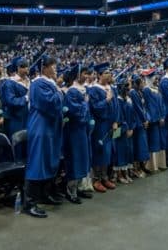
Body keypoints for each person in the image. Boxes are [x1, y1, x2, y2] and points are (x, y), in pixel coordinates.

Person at [24, 55, 63, 219]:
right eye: (53, 66)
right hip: (40, 128)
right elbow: (49, 104)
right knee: (37, 163)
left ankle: (44, 195)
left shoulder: (48, 84)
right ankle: (29, 202)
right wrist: (60, 93)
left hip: (49, 128)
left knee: (48, 161)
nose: (56, 70)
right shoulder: (38, 84)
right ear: (44, 68)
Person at [62, 64, 92, 204]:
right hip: (74, 131)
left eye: (87, 74)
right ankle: (70, 190)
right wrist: (85, 104)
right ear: (77, 75)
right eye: (84, 73)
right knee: (75, 159)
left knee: (83, 158)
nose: (86, 76)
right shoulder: (72, 92)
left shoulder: (83, 90)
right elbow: (76, 112)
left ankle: (79, 187)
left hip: (82, 130)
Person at [88, 62, 118, 192]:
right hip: (100, 125)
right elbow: (94, 107)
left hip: (110, 125)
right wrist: (106, 100)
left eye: (109, 72)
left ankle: (105, 177)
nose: (109, 74)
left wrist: (116, 121)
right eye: (105, 73)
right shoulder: (94, 89)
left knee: (107, 152)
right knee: (99, 151)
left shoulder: (111, 88)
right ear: (99, 75)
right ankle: (96, 180)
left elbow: (117, 107)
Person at [0, 57, 30, 138]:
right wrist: (26, 98)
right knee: (17, 145)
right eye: (23, 66)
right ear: (17, 68)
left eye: (27, 65)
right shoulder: (10, 83)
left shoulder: (29, 81)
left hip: (28, 118)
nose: (27, 68)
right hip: (16, 120)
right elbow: (11, 101)